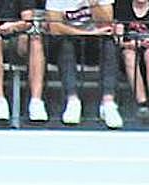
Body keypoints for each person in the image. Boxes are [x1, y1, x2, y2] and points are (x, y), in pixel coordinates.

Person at [36, 0, 125, 128]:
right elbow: (55, 28)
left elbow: (106, 23)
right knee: (65, 45)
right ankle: (72, 100)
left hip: (95, 41)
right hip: (69, 39)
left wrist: (93, 4)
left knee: (109, 44)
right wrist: (86, 33)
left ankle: (108, 103)